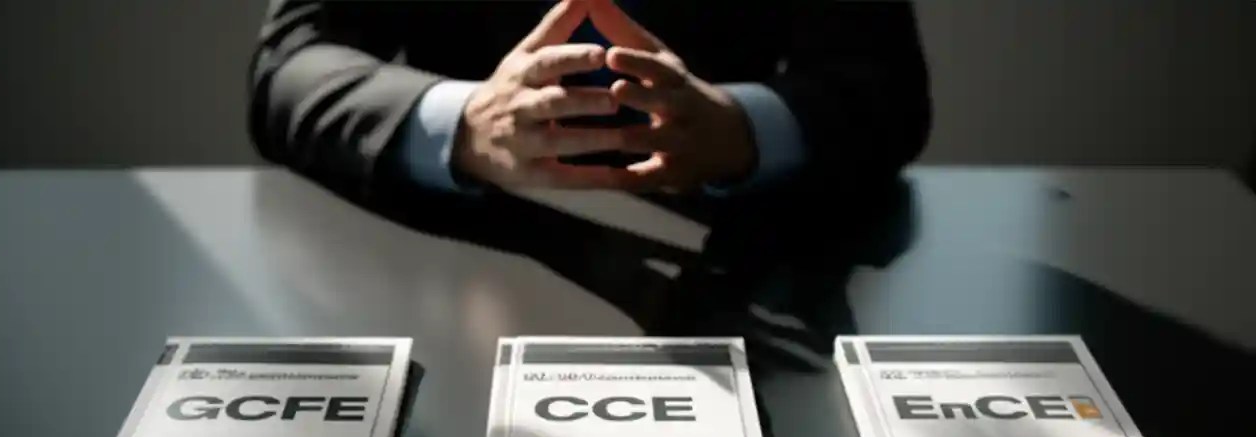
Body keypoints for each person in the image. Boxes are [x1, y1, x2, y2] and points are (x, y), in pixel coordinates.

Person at [248, 0, 931, 204]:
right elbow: (291, 62)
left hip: (747, 263)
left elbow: (886, 81)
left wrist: (739, 128)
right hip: (449, 254)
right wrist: (463, 124)